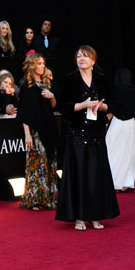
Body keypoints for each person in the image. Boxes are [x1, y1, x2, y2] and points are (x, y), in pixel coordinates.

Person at [55, 45, 119, 230]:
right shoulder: (70, 79)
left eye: (85, 56)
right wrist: (81, 105)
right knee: (79, 174)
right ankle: (79, 217)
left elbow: (113, 104)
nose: (81, 59)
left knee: (96, 175)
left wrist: (104, 108)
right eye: (79, 56)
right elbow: (62, 106)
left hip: (96, 132)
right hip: (76, 132)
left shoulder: (102, 79)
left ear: (93, 60)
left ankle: (96, 216)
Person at [18, 53, 59, 210]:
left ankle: (50, 197)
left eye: (44, 63)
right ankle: (34, 199)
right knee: (37, 165)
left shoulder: (46, 84)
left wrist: (52, 96)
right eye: (40, 63)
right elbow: (23, 113)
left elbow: (54, 106)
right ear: (32, 65)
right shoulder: (26, 87)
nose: (43, 66)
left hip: (49, 128)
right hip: (35, 131)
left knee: (49, 162)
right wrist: (27, 134)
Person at [106, 68, 135, 191]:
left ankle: (111, 180)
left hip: (117, 122)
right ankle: (126, 183)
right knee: (129, 153)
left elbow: (112, 108)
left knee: (112, 151)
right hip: (130, 124)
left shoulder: (114, 91)